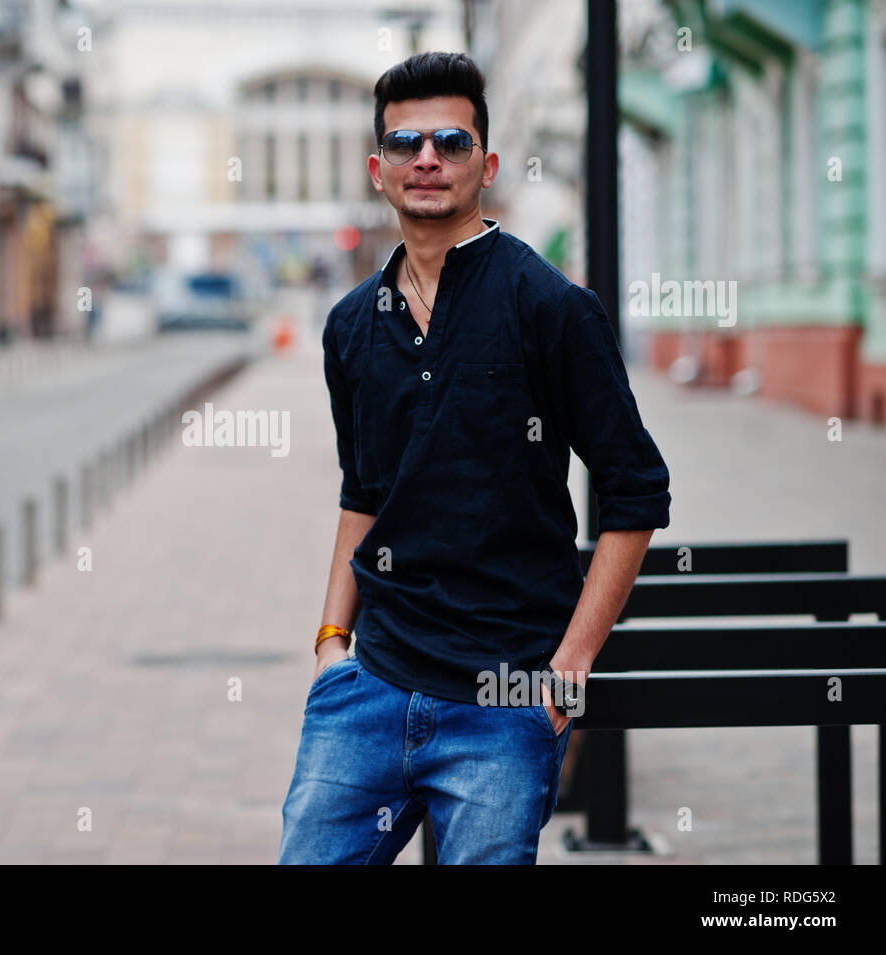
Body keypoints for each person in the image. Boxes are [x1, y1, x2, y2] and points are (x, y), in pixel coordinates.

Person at [277, 51, 671, 865]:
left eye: (451, 141)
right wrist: (329, 645)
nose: (428, 158)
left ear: (486, 165)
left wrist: (569, 668)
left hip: (504, 702)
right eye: (406, 142)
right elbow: (364, 493)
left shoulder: (553, 309)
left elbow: (636, 491)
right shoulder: (351, 325)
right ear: (378, 170)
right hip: (370, 691)